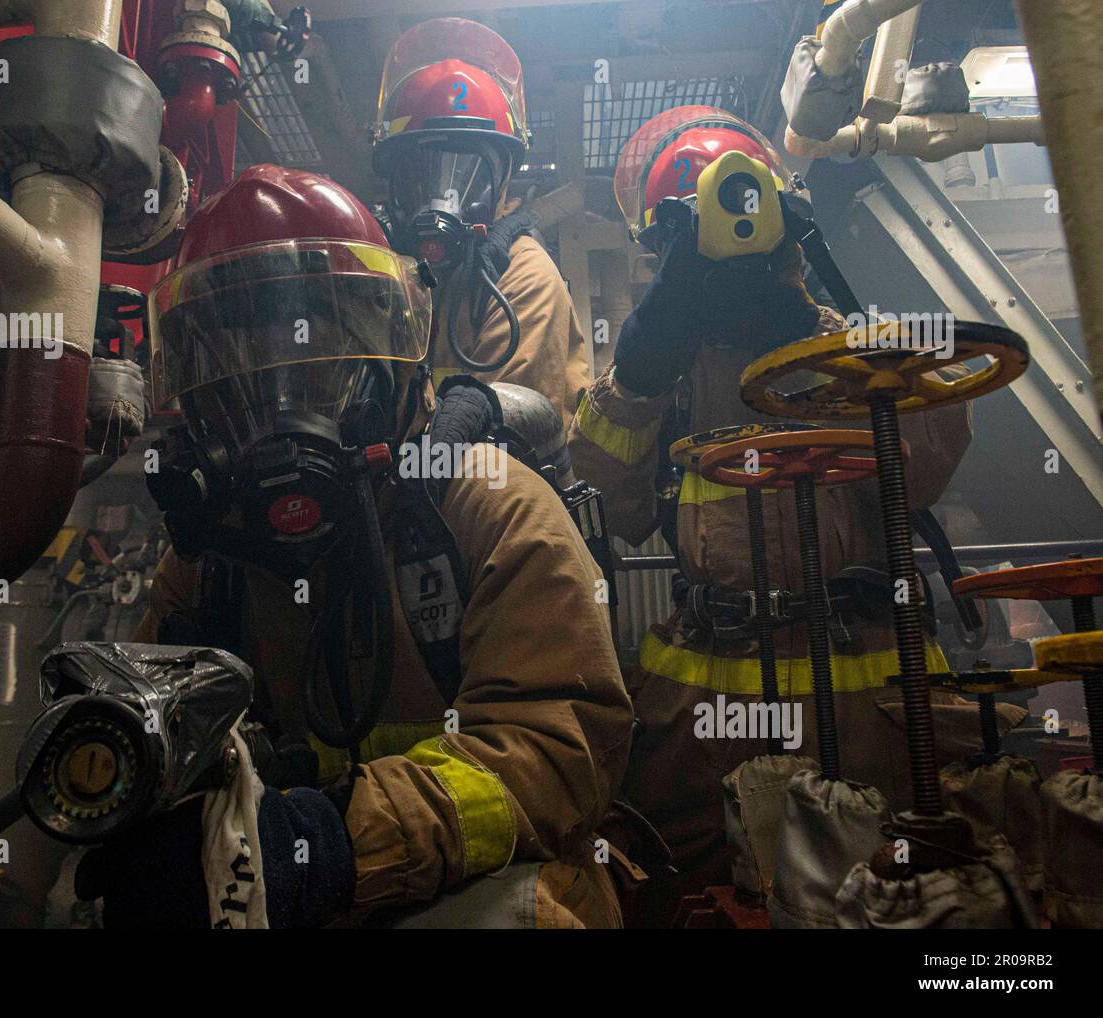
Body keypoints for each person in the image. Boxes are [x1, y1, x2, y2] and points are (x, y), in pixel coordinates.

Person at [79, 164, 634, 928]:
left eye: (318, 360)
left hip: (479, 888)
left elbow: (559, 761)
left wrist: (330, 840)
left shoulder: (483, 504)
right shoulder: (208, 567)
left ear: (391, 362)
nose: (279, 404)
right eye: (240, 366)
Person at [567, 106, 1017, 895]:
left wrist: (817, 341)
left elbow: (930, 463)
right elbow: (615, 505)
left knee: (888, 898)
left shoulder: (851, 350)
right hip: (700, 718)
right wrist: (638, 372)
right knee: (699, 898)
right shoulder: (656, 376)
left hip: (870, 703)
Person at [372, 17, 589, 429]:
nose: (443, 198)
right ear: (394, 181)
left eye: (471, 175)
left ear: (504, 181)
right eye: (421, 171)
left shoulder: (524, 278)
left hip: (485, 483)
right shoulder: (384, 274)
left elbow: (503, 452)